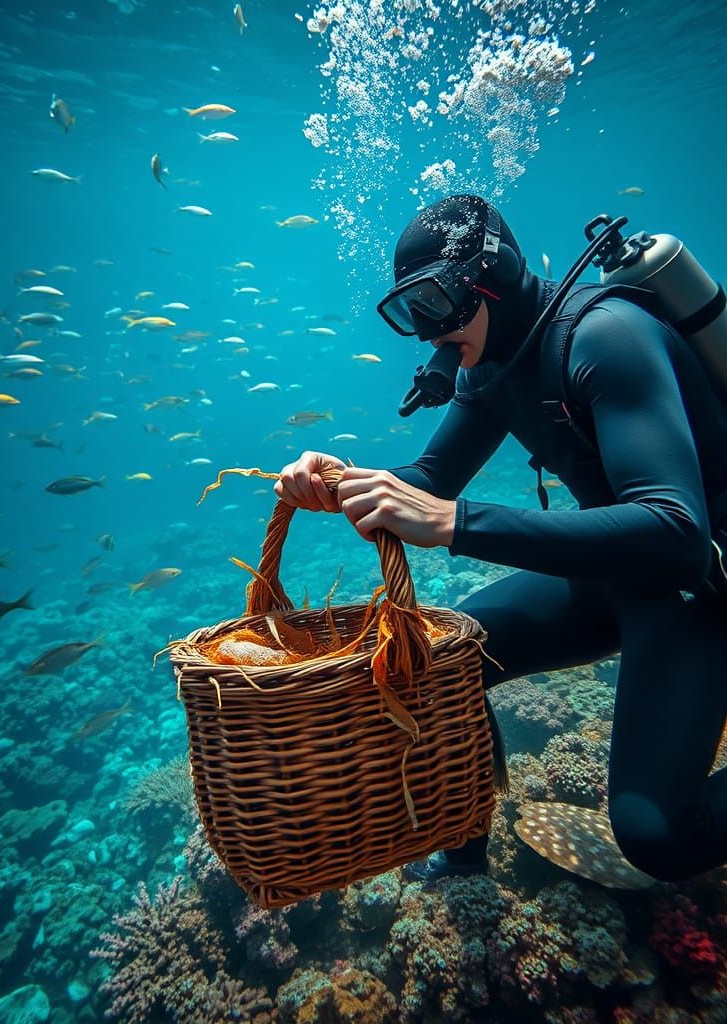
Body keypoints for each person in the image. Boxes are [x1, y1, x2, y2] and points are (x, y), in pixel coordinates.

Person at [275, 194, 727, 883]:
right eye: (411, 312)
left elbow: (678, 534)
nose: (429, 336)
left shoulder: (607, 337)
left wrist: (455, 525)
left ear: (496, 277)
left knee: (659, 835)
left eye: (435, 304)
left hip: (705, 587)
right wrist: (335, 478)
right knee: (432, 664)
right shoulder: (491, 364)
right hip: (623, 574)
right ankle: (464, 852)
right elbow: (429, 477)